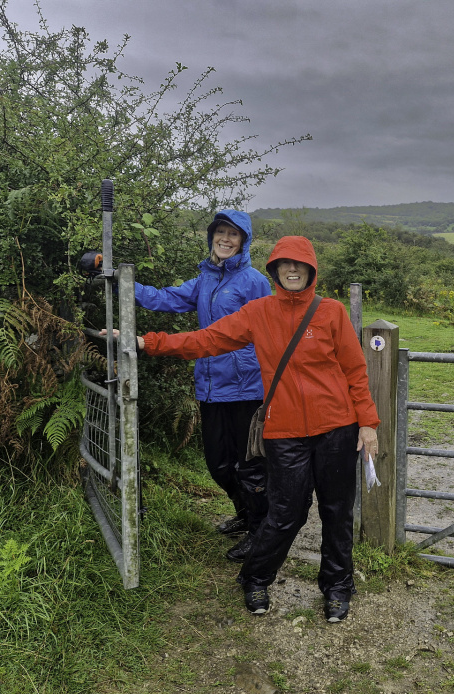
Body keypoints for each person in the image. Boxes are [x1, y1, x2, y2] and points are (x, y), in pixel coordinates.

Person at [132, 235, 379, 623]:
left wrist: (367, 423)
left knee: (337, 510)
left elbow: (355, 369)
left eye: (300, 265)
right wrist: (148, 342)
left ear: (311, 270)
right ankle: (255, 577)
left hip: (336, 427)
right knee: (287, 511)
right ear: (275, 271)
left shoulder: (330, 312)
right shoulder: (258, 312)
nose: (293, 270)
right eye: (285, 265)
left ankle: (337, 587)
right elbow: (207, 340)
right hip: (284, 430)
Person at [134, 210, 270, 561]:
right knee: (218, 464)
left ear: (244, 241)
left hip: (247, 387)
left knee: (249, 465)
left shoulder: (254, 281)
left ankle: (260, 531)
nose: (224, 239)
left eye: (232, 234)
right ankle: (244, 514)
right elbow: (164, 298)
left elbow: (270, 334)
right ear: (212, 237)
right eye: (219, 233)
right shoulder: (204, 280)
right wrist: (124, 285)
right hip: (210, 386)